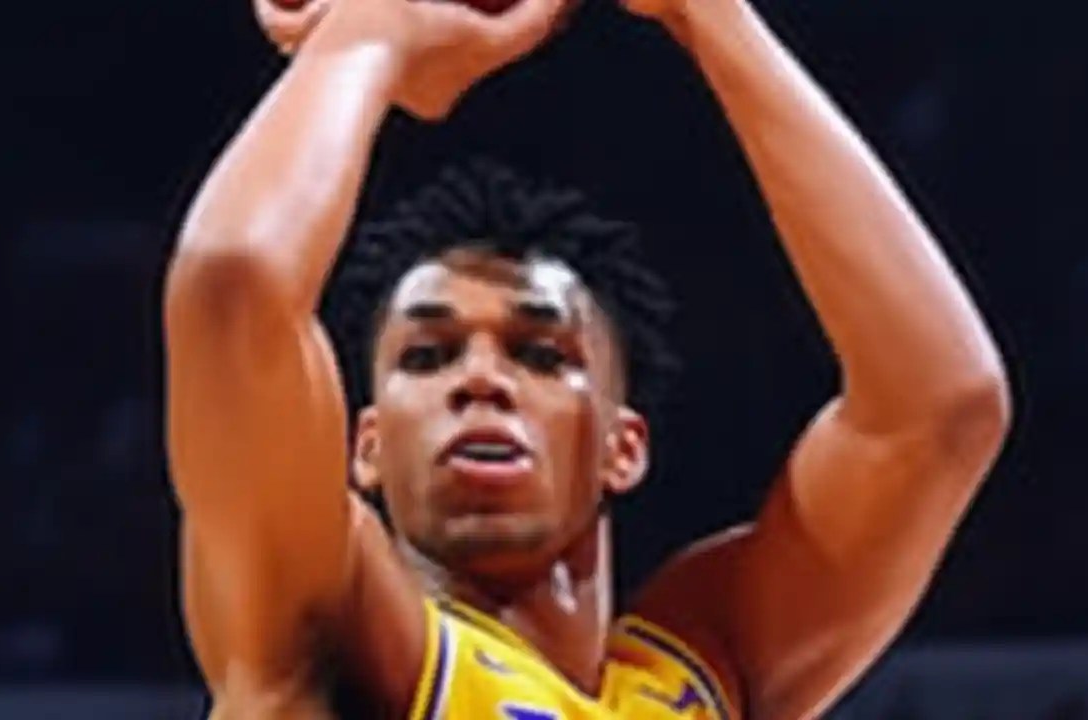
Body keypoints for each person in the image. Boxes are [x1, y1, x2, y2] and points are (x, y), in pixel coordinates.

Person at [163, 0, 1012, 717]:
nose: (480, 380)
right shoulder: (340, 629)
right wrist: (370, 37)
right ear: (367, 447)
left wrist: (714, 20)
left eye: (539, 353)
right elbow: (234, 289)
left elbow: (943, 409)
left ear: (623, 443)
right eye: (428, 355)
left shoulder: (700, 668)